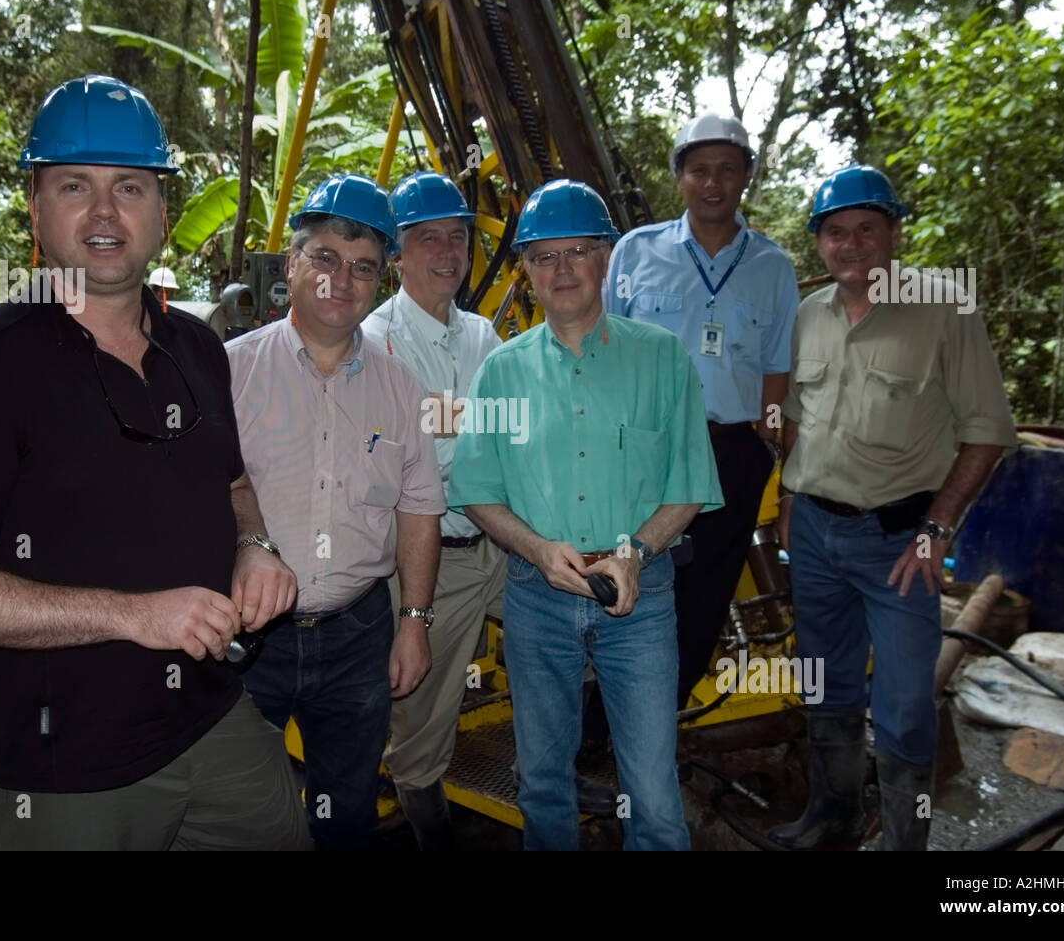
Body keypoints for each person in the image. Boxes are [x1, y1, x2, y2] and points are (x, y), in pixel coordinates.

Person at [0, 74, 310, 850]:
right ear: (35, 207)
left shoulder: (197, 347)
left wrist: (255, 546)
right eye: (75, 185)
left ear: (162, 213)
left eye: (132, 187)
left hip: (211, 713)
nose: (106, 212)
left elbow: (234, 483)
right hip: (69, 764)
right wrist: (133, 614)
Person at [448, 179, 723, 850]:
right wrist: (538, 549)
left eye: (578, 251)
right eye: (543, 256)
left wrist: (635, 552)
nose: (562, 269)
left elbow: (687, 487)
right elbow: (477, 490)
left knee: (653, 793)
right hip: (536, 596)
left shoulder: (661, 360)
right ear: (526, 271)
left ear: (606, 259)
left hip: (642, 595)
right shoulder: (501, 373)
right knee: (542, 778)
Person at [771, 165, 1017, 851]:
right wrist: (790, 494)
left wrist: (937, 528)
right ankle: (831, 818)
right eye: (836, 231)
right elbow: (795, 416)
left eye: (866, 229)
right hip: (815, 535)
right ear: (819, 242)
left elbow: (986, 431)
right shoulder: (807, 315)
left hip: (899, 543)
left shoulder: (946, 310)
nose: (851, 245)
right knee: (827, 682)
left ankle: (905, 841)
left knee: (906, 703)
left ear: (894, 233)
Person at [226, 173, 446, 850]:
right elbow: (198, 486)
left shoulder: (403, 391)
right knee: (235, 809)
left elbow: (419, 512)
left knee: (344, 810)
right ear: (290, 265)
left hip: (358, 638)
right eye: (324, 258)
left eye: (362, 267)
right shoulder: (226, 370)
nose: (340, 280)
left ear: (379, 281)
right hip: (245, 641)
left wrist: (414, 621)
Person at [606, 112, 799, 710]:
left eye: (727, 169)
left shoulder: (773, 267)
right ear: (679, 177)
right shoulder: (636, 252)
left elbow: (777, 372)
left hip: (731, 450)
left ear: (745, 178)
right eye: (698, 170)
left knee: (706, 591)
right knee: (627, 570)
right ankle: (605, 712)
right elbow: (604, 348)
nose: (712, 182)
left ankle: (661, 714)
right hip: (645, 442)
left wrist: (772, 457)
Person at [359, 171, 505, 850]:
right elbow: (402, 454)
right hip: (426, 559)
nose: (448, 251)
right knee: (420, 702)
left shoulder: (482, 336)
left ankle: (557, 760)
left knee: (581, 619)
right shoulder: (376, 340)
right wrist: (473, 428)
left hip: (497, 543)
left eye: (458, 236)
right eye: (427, 238)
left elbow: (515, 435)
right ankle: (426, 816)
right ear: (396, 254)